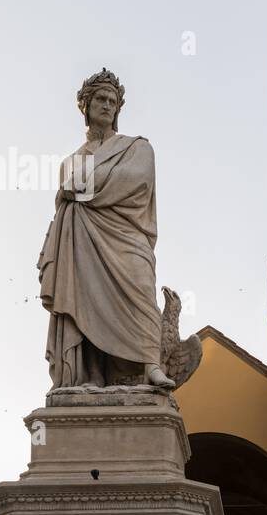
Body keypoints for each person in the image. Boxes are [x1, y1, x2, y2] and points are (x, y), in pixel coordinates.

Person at [38, 68, 174, 390]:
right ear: (86, 106)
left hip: (128, 237)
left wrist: (81, 189)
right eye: (100, 99)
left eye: (113, 101)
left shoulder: (138, 148)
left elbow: (135, 181)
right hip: (84, 240)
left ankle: (149, 364)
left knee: (142, 289)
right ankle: (93, 374)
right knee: (85, 297)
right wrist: (76, 191)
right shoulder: (71, 160)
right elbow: (72, 190)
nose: (107, 105)